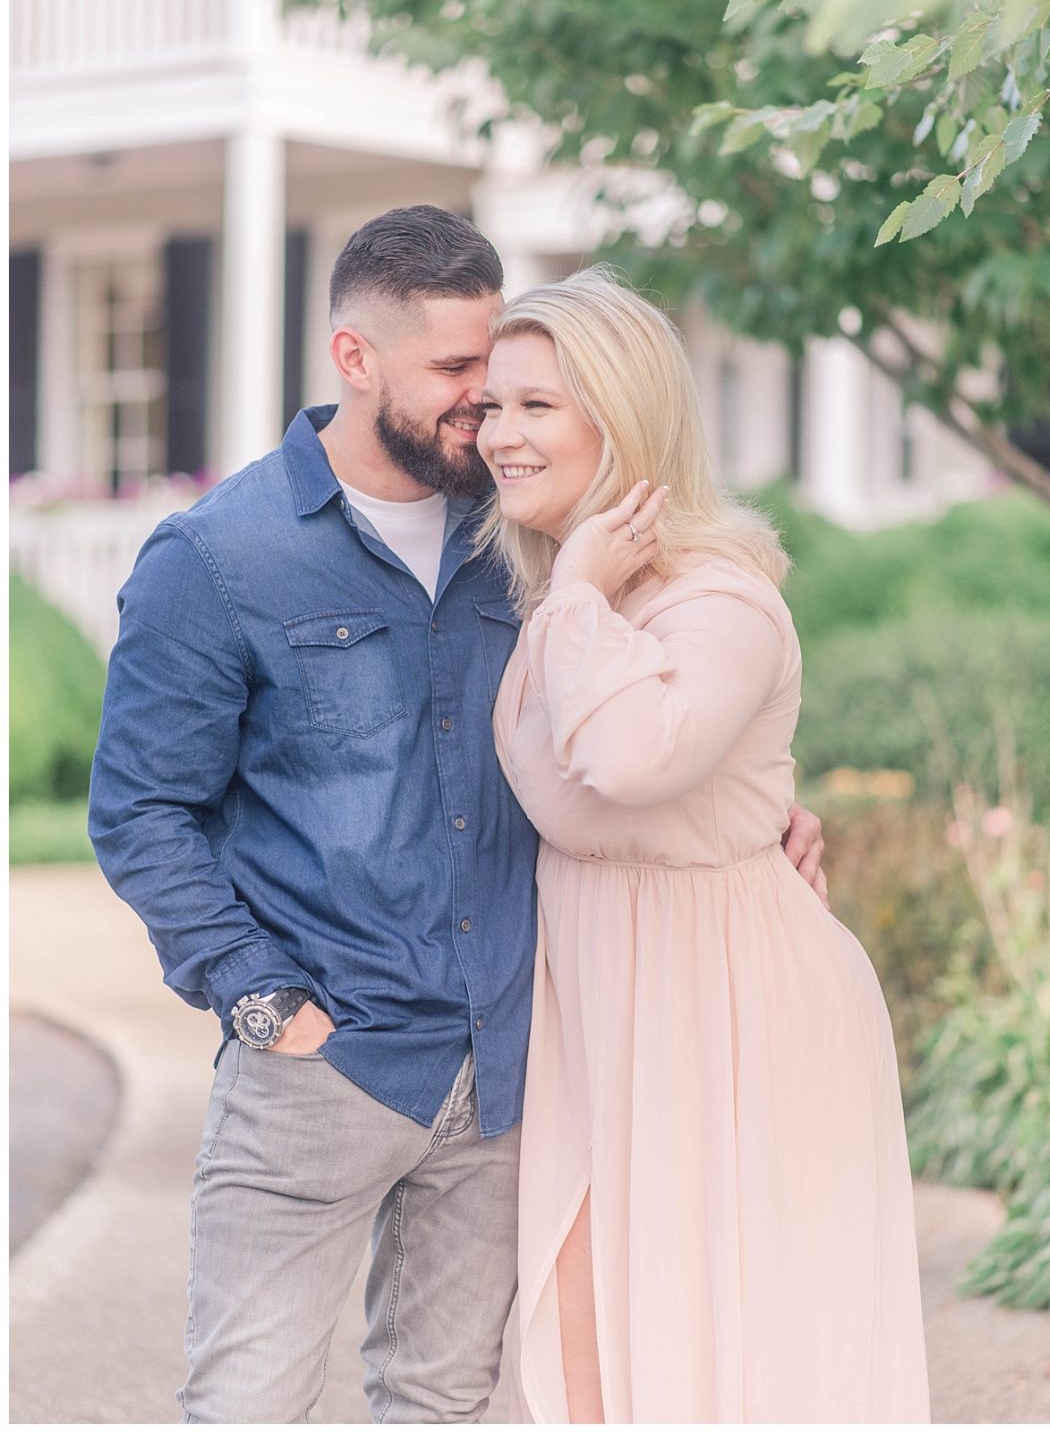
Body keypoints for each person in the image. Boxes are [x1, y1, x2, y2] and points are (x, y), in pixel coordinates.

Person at [88, 206, 826, 1424]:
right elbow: (141, 809)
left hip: (506, 1075)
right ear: (355, 357)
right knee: (245, 1402)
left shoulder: (527, 537)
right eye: (454, 373)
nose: (482, 409)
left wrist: (765, 810)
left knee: (441, 1402)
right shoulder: (219, 559)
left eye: (496, 373)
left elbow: (667, 685)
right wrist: (264, 1002)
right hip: (320, 1074)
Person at [475, 267, 931, 1424]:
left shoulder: (715, 596)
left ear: (622, 420)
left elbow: (630, 759)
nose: (499, 435)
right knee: (588, 1348)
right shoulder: (549, 597)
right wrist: (570, 591)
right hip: (599, 1001)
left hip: (727, 999)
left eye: (537, 405)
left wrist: (579, 589)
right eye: (493, 404)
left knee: (725, 1351)